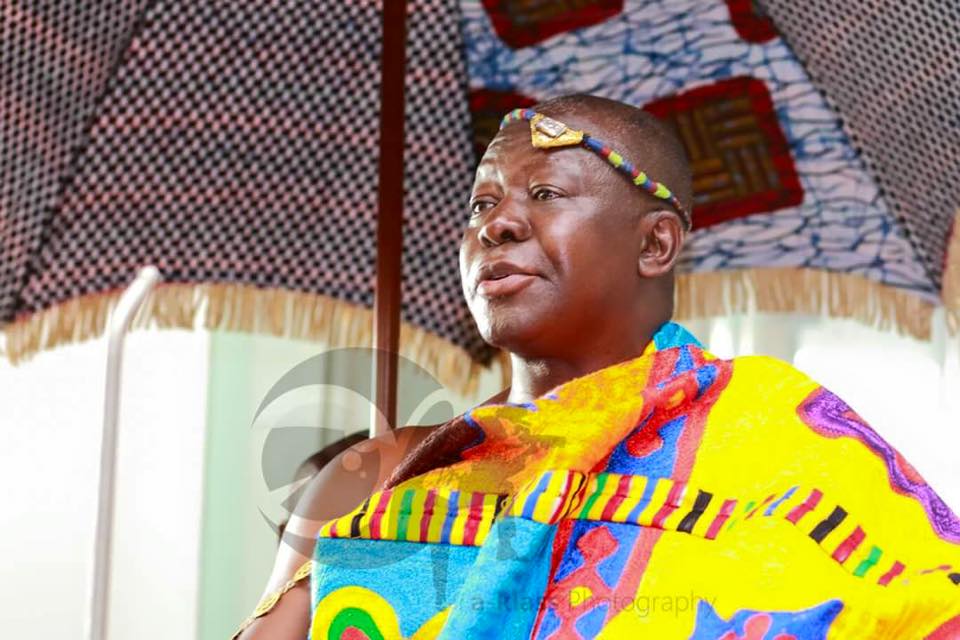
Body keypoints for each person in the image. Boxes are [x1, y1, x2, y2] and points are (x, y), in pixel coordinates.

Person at [234, 95, 960, 639]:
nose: (497, 223)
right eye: (482, 201)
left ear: (655, 246)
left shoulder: (777, 430)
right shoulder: (378, 476)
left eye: (545, 194)